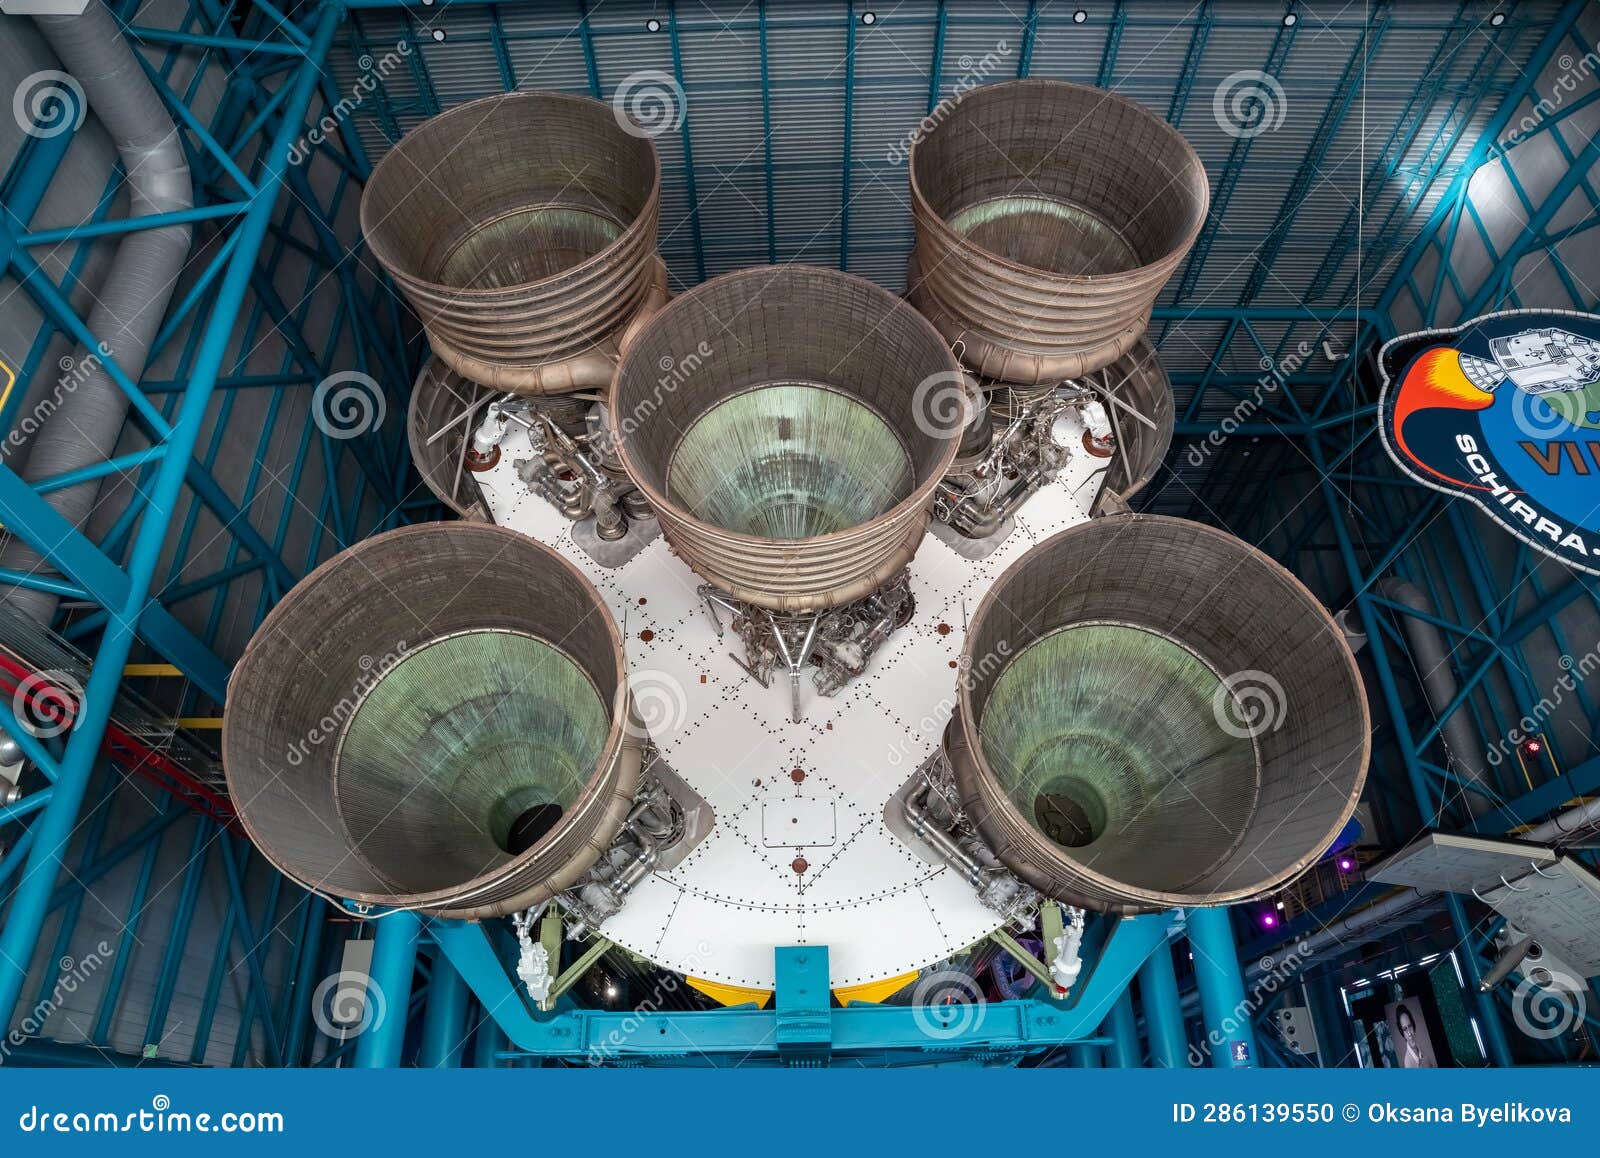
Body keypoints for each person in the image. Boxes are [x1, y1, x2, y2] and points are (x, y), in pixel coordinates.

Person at [1396, 1004, 1434, 1068]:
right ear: (1403, 1034)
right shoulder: (1408, 1063)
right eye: (1405, 1029)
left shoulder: (1419, 1047)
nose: (1409, 1033)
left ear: (1413, 1026)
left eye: (1410, 1026)